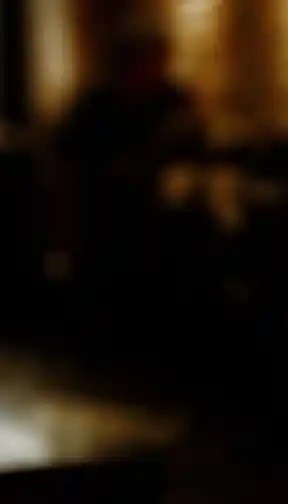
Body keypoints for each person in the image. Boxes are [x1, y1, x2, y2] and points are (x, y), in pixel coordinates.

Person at [55, 31, 203, 322]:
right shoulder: (97, 103)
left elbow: (193, 146)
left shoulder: (171, 96)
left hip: (161, 205)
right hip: (106, 208)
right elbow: (72, 153)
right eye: (147, 60)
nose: (154, 68)